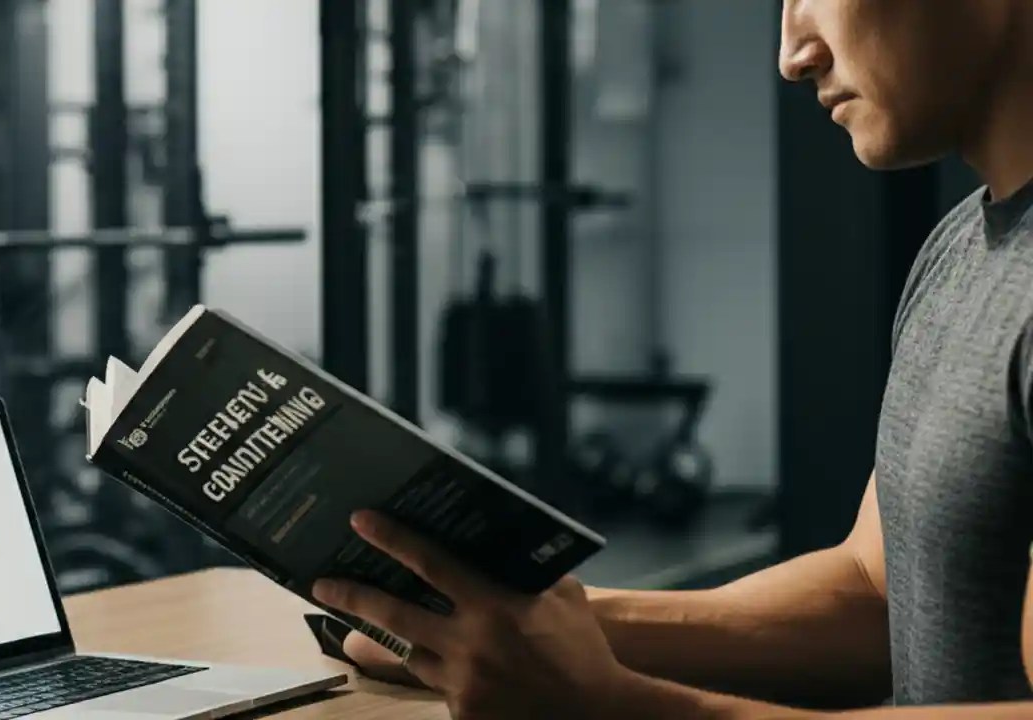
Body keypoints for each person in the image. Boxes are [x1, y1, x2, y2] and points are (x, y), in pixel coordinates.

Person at [312, 1, 1033, 718]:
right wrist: (501, 625)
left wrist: (616, 708)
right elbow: (877, 596)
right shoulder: (962, 246)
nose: (793, 53)